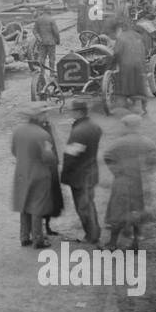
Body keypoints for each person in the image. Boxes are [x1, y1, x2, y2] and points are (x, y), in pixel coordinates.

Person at [102, 114, 156, 250]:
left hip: (122, 181)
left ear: (126, 126)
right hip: (139, 182)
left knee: (117, 211)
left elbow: (107, 156)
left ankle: (112, 244)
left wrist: (116, 171)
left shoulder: (119, 142)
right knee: (137, 211)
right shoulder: (147, 142)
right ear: (138, 126)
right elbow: (154, 159)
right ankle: (135, 244)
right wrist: (147, 171)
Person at [11, 103, 63, 248]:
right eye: (44, 113)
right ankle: (38, 239)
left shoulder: (18, 131)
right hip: (39, 174)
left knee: (24, 205)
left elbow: (14, 151)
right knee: (37, 207)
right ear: (38, 117)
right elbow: (49, 157)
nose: (46, 116)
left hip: (21, 173)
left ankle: (24, 237)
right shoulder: (43, 134)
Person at [60, 98, 103, 245]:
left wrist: (65, 175)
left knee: (83, 207)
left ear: (79, 112)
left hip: (79, 176)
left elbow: (71, 156)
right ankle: (95, 231)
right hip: (91, 172)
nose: (71, 113)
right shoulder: (94, 127)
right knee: (89, 204)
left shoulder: (79, 131)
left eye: (73, 110)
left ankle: (91, 235)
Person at [111, 20, 149, 115]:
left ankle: (125, 106)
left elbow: (116, 53)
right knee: (139, 86)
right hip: (139, 64)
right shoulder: (138, 36)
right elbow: (145, 50)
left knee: (125, 86)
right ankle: (143, 107)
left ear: (120, 29)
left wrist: (111, 66)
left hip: (126, 65)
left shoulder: (121, 38)